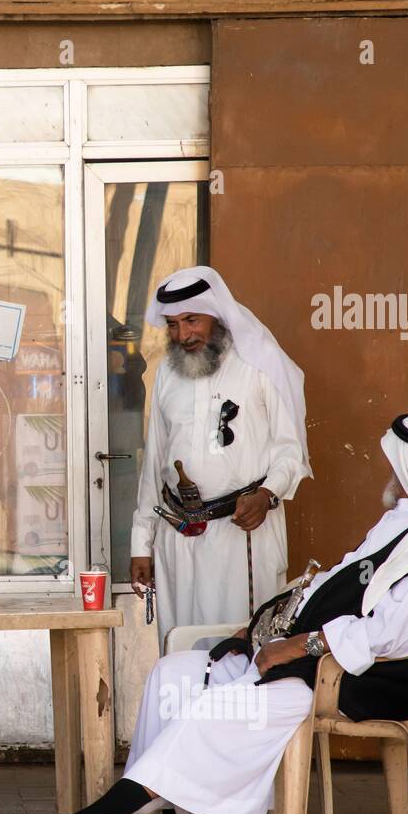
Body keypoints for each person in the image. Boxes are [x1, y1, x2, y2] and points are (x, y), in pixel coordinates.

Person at [9, 413, 408, 814]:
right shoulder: (407, 521)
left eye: (396, 463)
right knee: (174, 676)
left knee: (212, 711)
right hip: (322, 658)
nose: (389, 472)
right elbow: (339, 582)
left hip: (360, 679)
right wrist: (265, 626)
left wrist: (300, 645)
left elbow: (396, 633)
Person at [130, 266, 311, 644]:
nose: (183, 335)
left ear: (215, 313)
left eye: (191, 320)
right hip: (177, 538)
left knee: (238, 652)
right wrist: (140, 543)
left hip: (240, 536)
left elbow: (290, 450)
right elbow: (154, 464)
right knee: (182, 649)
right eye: (174, 325)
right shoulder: (166, 373)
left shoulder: (260, 364)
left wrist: (267, 495)